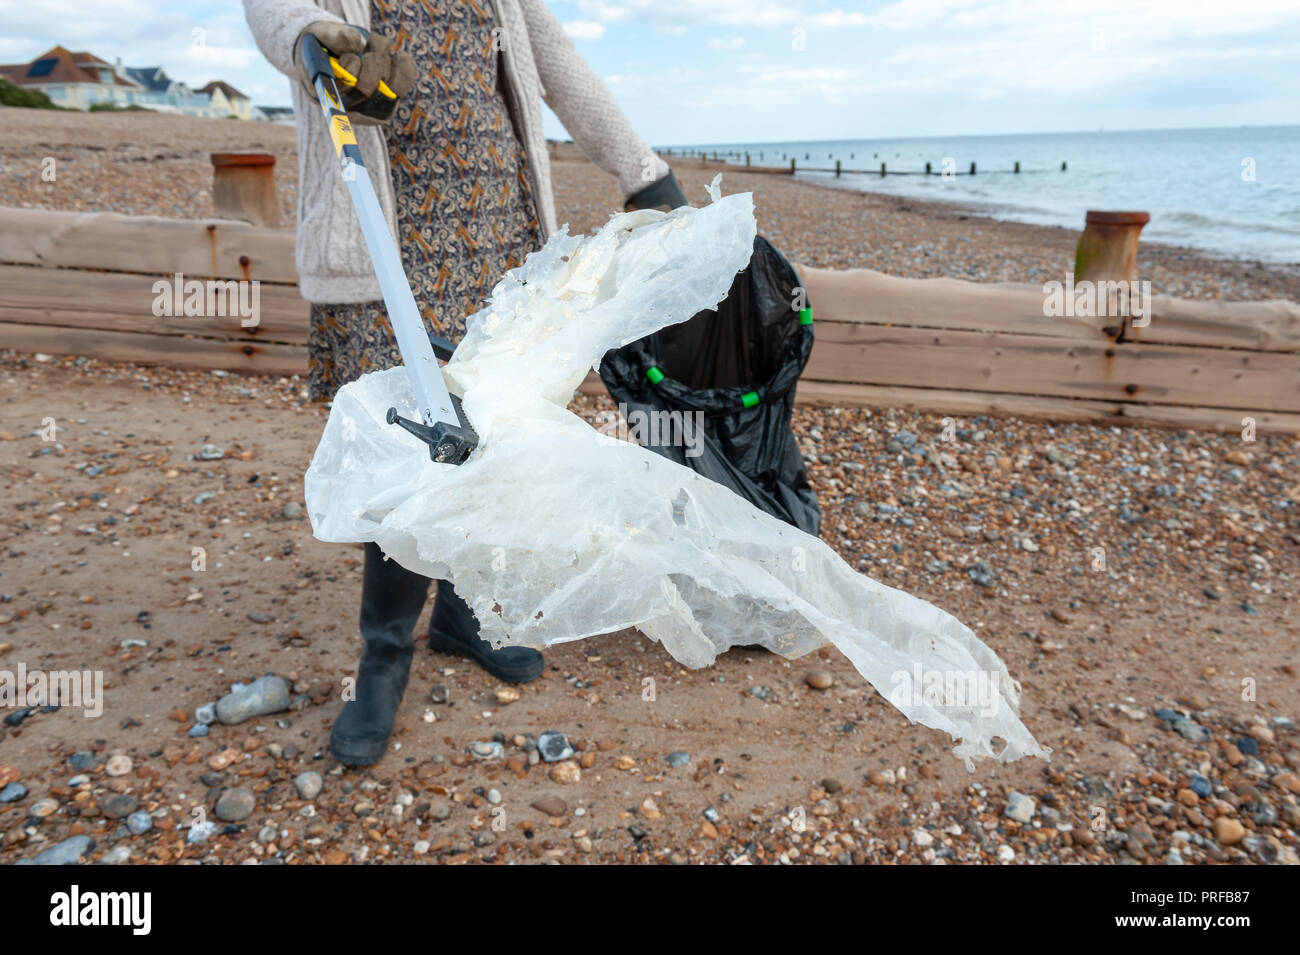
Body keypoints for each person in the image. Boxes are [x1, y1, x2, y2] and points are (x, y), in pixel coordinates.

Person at [244, 0, 688, 766]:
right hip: (386, 238)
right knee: (409, 454)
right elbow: (274, 9)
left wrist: (644, 174)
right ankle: (383, 655)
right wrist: (307, 37)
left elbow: (562, 70)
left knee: (490, 433)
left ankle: (459, 612)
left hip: (497, 236)